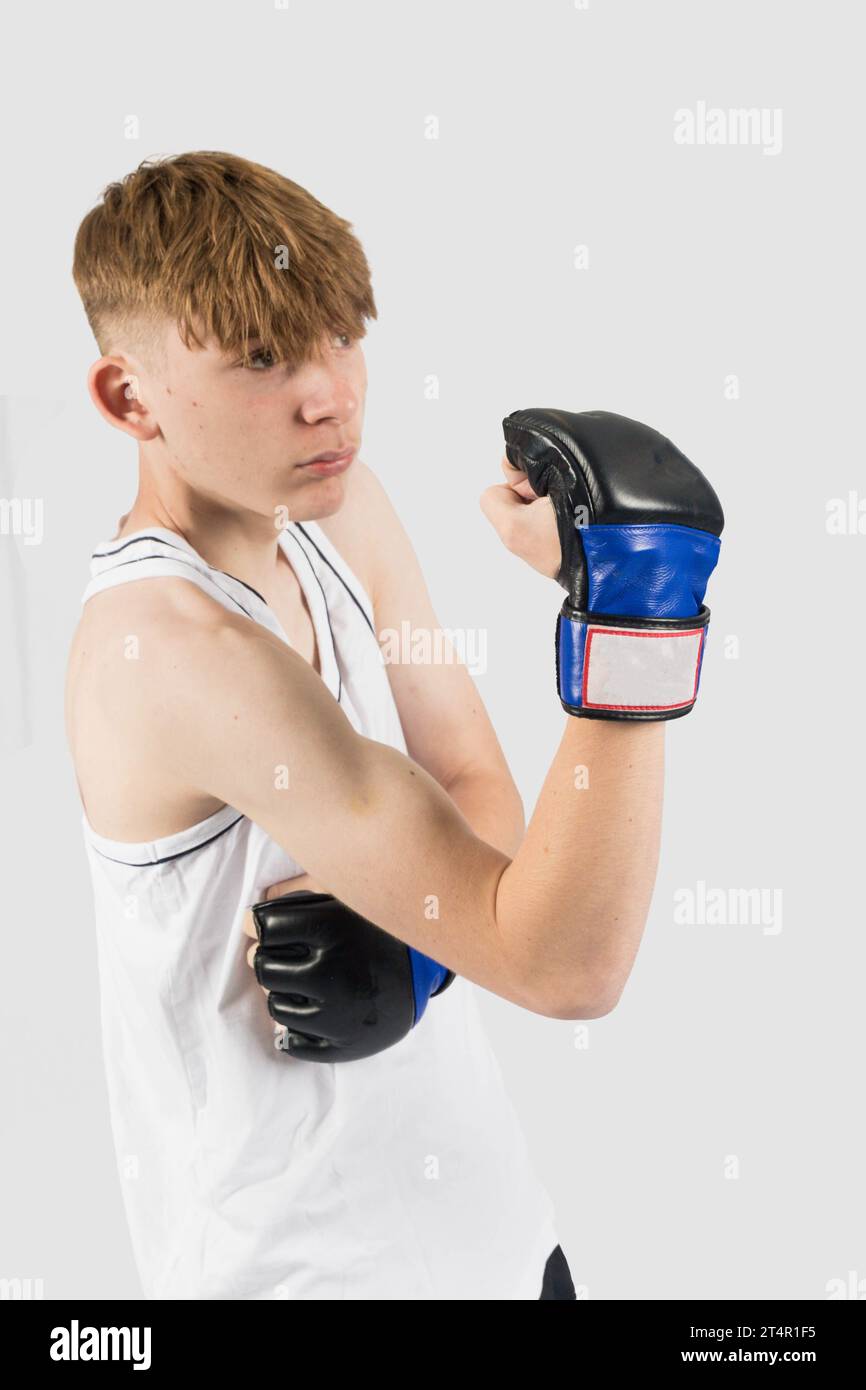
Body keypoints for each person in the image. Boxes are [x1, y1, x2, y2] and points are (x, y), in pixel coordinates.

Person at [65, 150, 721, 1300]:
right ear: (131, 398)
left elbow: (476, 782)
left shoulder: (336, 508)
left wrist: (421, 950)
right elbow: (566, 965)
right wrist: (628, 619)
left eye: (338, 335)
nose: (330, 394)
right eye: (263, 356)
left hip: (506, 1246)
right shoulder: (165, 651)